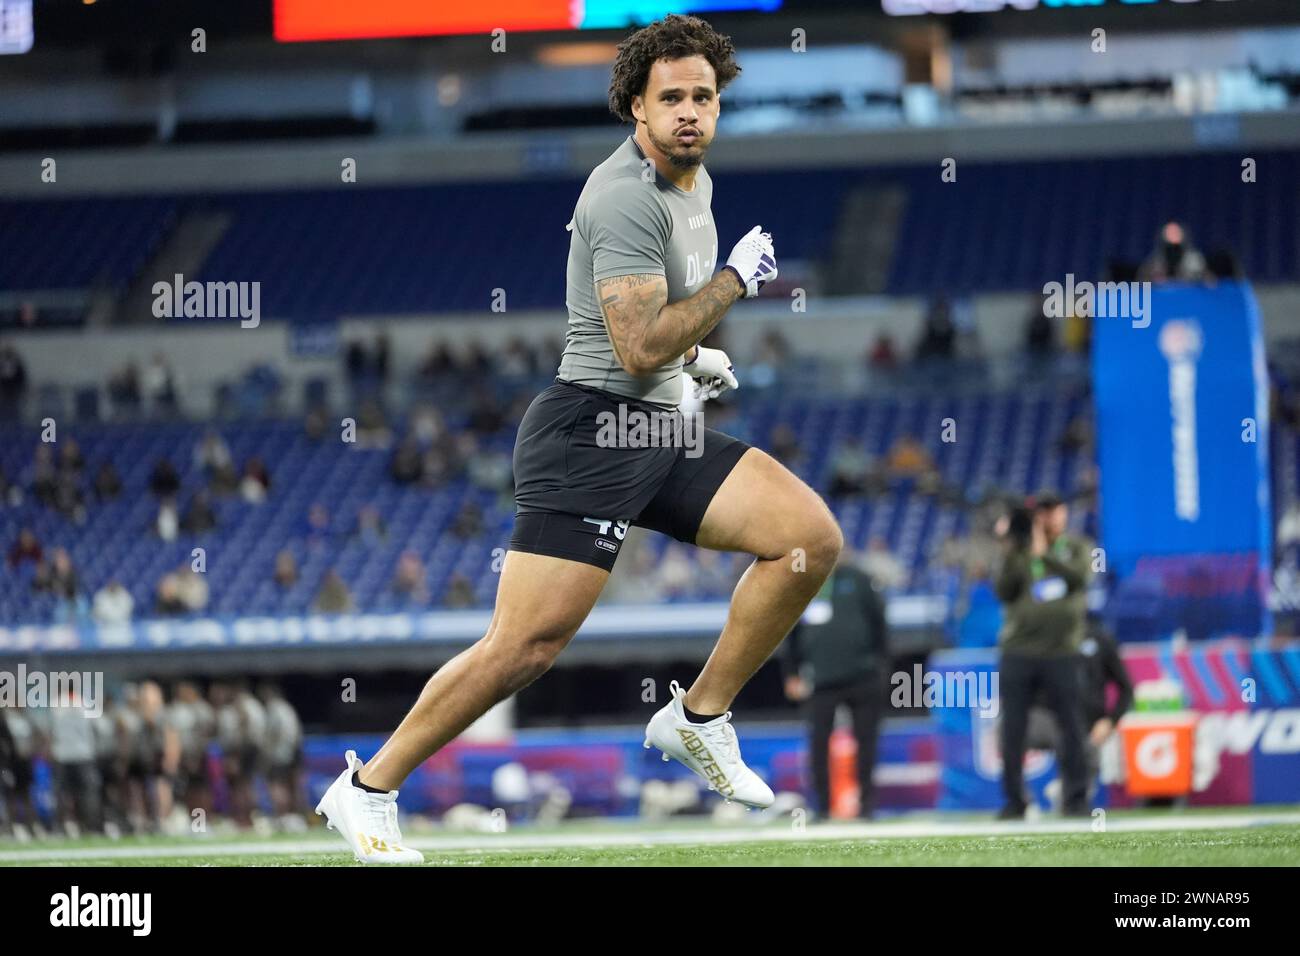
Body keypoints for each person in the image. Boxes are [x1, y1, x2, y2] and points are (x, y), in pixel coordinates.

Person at [315, 14, 842, 865]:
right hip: (590, 434)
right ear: (636, 105)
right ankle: (367, 788)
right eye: (670, 97)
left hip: (656, 424)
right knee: (524, 648)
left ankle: (697, 717)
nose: (689, 112)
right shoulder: (625, 192)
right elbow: (634, 345)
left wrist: (697, 357)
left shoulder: (692, 183)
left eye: (703, 97)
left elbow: (641, 334)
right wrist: (736, 283)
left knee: (806, 541)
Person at [993, 492, 1093, 819]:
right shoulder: (1020, 553)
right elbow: (1003, 591)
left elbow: (1079, 578)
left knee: (1072, 725)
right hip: (1019, 652)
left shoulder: (1078, 547)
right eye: (1041, 512)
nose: (1047, 518)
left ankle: (1076, 798)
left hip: (1062, 651)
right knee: (1013, 728)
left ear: (1064, 512)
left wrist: (1044, 555)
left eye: (1053, 510)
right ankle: (1015, 801)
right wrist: (1010, 547)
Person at [783, 547, 890, 819]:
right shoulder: (806, 583)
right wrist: (791, 672)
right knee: (817, 743)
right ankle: (822, 807)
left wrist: (881, 667)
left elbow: (880, 624)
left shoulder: (859, 579)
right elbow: (789, 631)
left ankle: (867, 806)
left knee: (867, 742)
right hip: (821, 679)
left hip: (863, 676)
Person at [1025, 616, 1134, 808]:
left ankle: (1073, 790)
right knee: (1012, 727)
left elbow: (1126, 689)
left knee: (1083, 771)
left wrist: (1110, 720)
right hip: (1052, 717)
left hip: (1090, 724)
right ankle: (1022, 799)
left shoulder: (1099, 639)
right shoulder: (1043, 639)